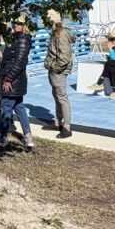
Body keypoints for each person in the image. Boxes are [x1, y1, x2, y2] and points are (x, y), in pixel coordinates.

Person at [0, 13, 33, 149]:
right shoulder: (16, 38)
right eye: (15, 23)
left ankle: (2, 137)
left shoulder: (23, 39)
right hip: (11, 79)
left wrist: (8, 78)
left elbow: (19, 62)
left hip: (13, 81)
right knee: (19, 107)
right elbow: (7, 61)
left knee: (6, 107)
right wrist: (0, 74)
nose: (16, 25)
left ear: (24, 25)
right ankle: (28, 137)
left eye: (19, 23)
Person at [43, 10, 74, 138]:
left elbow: (64, 57)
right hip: (54, 68)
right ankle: (58, 121)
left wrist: (54, 67)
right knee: (57, 95)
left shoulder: (61, 35)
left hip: (58, 70)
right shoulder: (55, 33)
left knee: (61, 96)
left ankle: (67, 126)